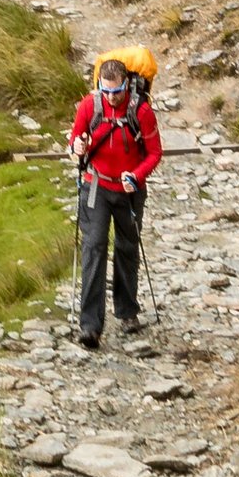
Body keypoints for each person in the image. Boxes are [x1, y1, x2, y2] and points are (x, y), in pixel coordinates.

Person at [69, 50, 162, 348]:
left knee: (126, 247)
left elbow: (154, 153)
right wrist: (77, 148)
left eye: (117, 91)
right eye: (106, 90)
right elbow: (74, 142)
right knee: (93, 248)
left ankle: (127, 312)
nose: (111, 97)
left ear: (127, 86)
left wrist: (136, 175)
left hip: (130, 191)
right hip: (95, 186)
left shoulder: (142, 112)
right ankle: (90, 326)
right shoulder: (89, 105)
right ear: (99, 86)